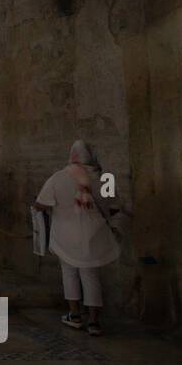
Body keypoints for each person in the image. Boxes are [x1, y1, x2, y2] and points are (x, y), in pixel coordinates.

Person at [33, 140, 119, 336]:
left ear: (71, 156)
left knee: (69, 273)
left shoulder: (58, 178)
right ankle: (94, 321)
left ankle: (75, 315)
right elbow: (114, 207)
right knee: (91, 275)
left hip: (65, 234)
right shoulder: (105, 178)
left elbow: (41, 204)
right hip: (95, 234)